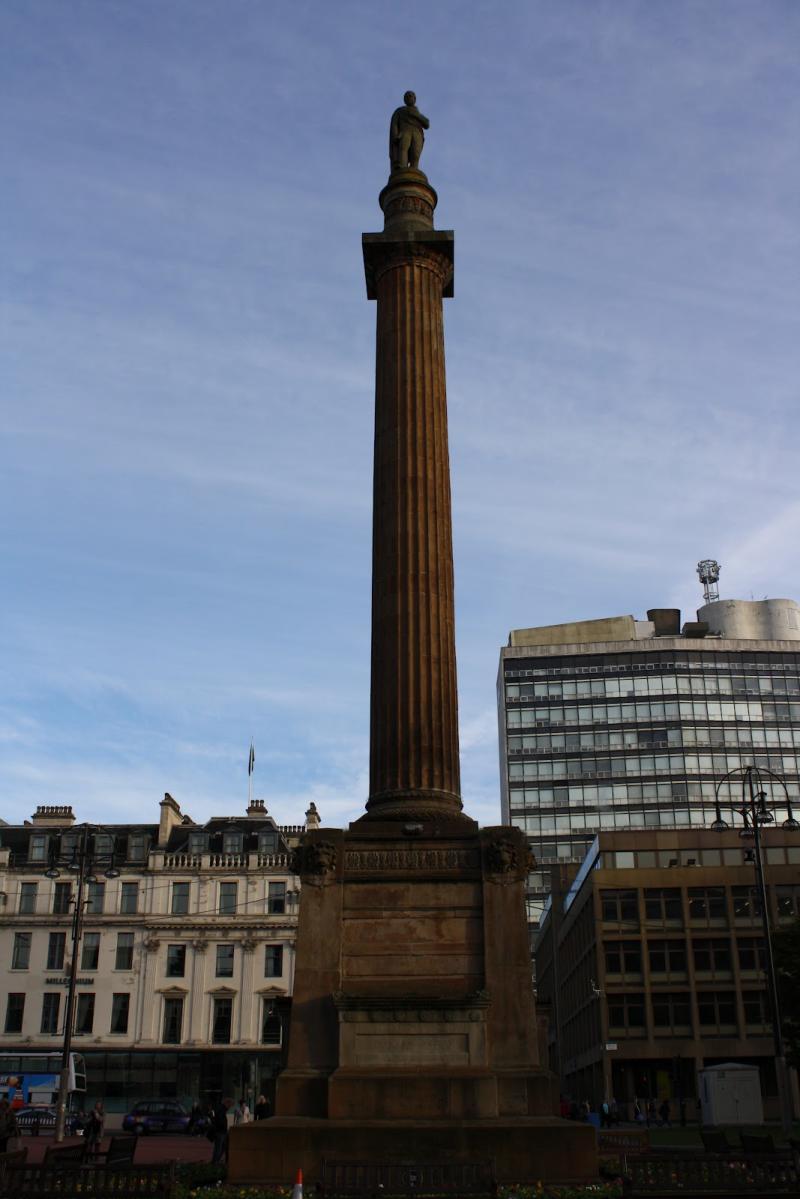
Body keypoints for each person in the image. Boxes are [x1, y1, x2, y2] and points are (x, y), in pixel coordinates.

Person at [389, 91, 430, 171]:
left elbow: (426, 124)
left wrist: (415, 114)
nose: (409, 97)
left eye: (411, 96)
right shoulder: (400, 111)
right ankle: (402, 168)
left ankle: (414, 170)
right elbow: (394, 124)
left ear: (415, 99)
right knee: (403, 149)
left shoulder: (417, 112)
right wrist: (395, 135)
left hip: (417, 133)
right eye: (407, 96)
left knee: (415, 153)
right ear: (404, 100)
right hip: (404, 131)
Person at [211, 1097, 233, 1164]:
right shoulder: (221, 1109)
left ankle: (216, 1160)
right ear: (227, 1104)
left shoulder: (221, 1109)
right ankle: (215, 1161)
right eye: (230, 1105)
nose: (230, 1108)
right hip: (221, 1131)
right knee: (219, 1147)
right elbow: (220, 1121)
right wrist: (223, 1128)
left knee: (222, 1147)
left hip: (221, 1131)